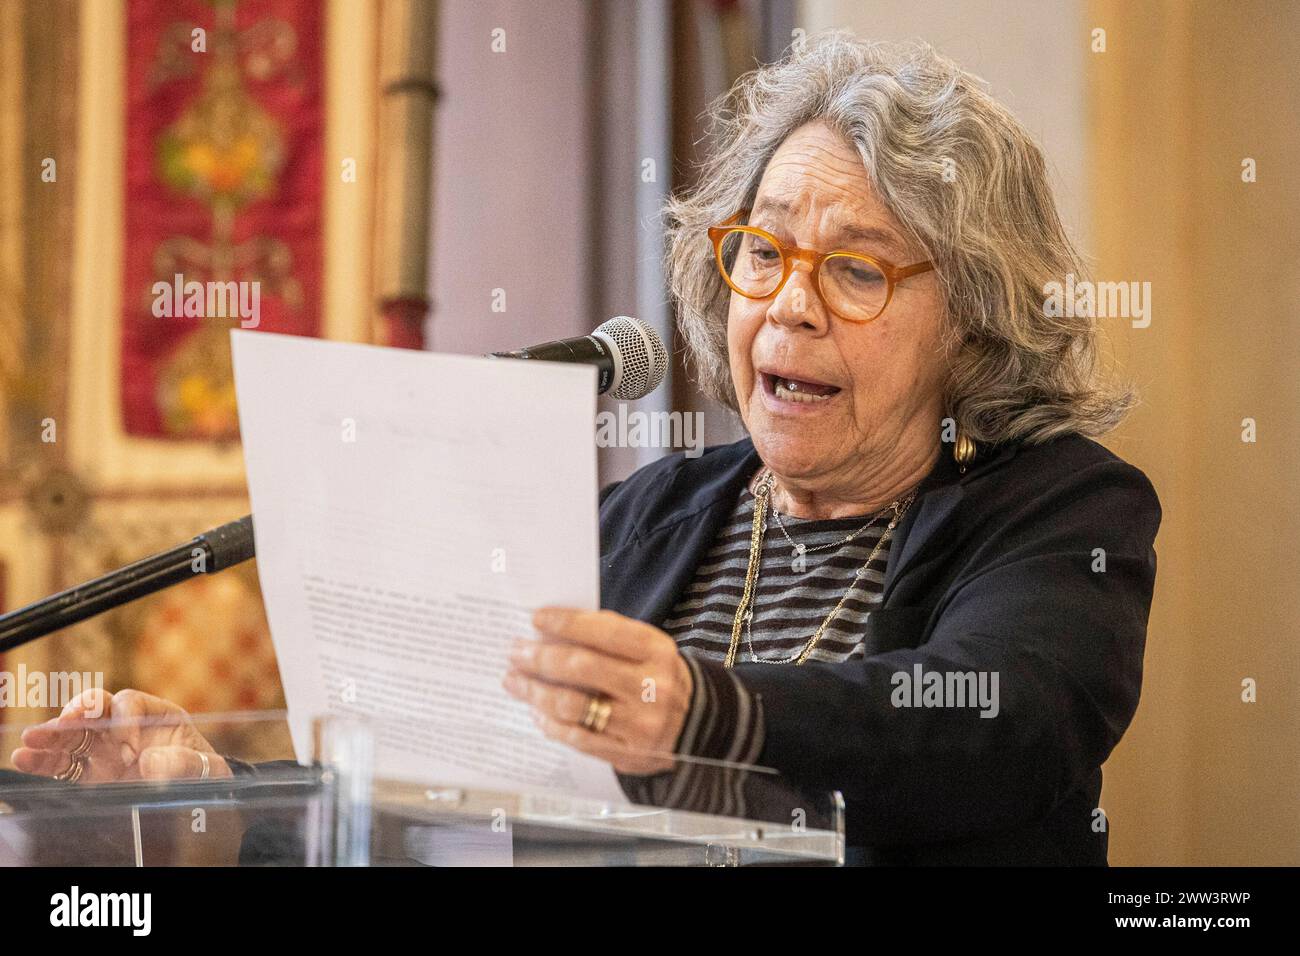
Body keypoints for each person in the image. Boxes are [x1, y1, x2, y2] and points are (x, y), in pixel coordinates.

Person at [13, 33, 1160, 865]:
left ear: (971, 316)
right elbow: (454, 774)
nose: (789, 305)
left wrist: (702, 709)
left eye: (857, 269)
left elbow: (998, 724)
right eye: (762, 252)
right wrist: (211, 793)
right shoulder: (653, 513)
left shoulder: (1062, 511)